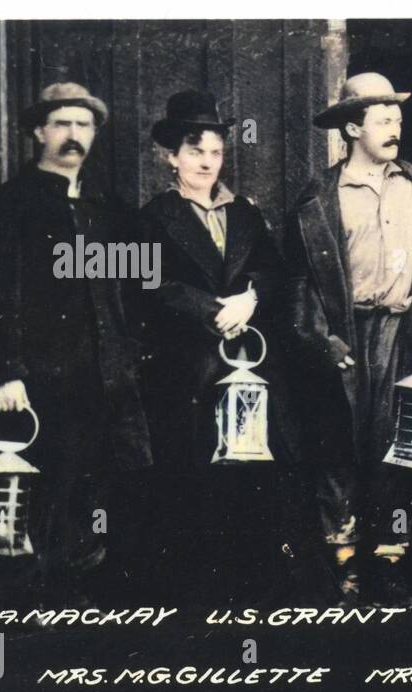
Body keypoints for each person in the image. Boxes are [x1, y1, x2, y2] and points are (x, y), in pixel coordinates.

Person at [0, 82, 151, 591]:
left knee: (96, 488)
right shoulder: (13, 204)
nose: (73, 135)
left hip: (105, 374)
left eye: (84, 125)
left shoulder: (108, 208)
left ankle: (82, 600)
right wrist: (5, 371)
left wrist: (131, 356)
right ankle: (38, 603)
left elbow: (133, 286)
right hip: (44, 377)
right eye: (62, 123)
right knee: (47, 489)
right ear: (39, 132)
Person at [283, 73, 412, 604]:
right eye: (382, 121)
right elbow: (299, 281)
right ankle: (345, 568)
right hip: (346, 340)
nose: (395, 129)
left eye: (397, 120)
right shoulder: (318, 197)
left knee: (396, 457)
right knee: (338, 453)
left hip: (402, 336)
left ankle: (390, 567)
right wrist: (322, 339)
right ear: (353, 128)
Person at [140, 89, 301, 580]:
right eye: (195, 152)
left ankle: (257, 576)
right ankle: (201, 584)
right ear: (172, 157)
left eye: (215, 152)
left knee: (257, 467)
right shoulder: (152, 219)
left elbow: (277, 273)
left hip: (249, 362)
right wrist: (212, 310)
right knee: (196, 472)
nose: (207, 163)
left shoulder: (245, 214)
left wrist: (250, 299)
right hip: (188, 367)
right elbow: (148, 283)